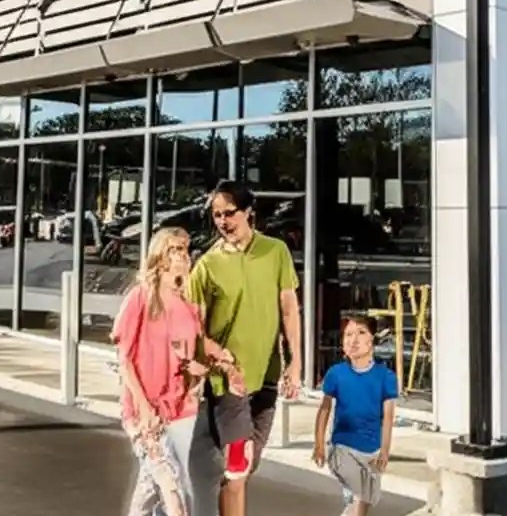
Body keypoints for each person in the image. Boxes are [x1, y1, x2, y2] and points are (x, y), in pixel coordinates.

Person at [187, 181, 303, 516]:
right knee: (238, 471)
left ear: (249, 212)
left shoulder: (275, 251)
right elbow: (195, 329)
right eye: (216, 214)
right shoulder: (207, 265)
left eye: (229, 213)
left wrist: (295, 362)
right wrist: (220, 361)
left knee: (245, 468)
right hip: (229, 383)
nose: (222, 221)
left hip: (266, 378)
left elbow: (289, 309)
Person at [112, 226, 215, 516]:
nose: (183, 254)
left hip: (178, 412)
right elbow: (124, 359)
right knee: (172, 489)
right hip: (145, 413)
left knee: (149, 489)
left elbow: (190, 358)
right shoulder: (140, 298)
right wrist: (143, 408)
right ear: (160, 257)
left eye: (185, 248)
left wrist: (199, 373)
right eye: (175, 249)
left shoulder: (189, 306)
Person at [312, 315, 398, 516]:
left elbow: (388, 417)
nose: (353, 339)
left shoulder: (386, 377)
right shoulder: (336, 373)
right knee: (360, 495)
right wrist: (319, 444)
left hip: (372, 450)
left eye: (361, 333)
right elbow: (324, 410)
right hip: (342, 447)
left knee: (364, 502)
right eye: (348, 334)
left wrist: (385, 451)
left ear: (372, 341)